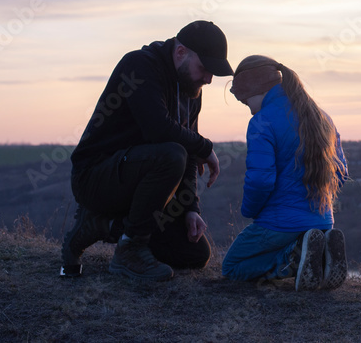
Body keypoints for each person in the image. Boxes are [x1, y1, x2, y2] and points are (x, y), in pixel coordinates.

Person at [60, 20, 234, 281]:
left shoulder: (191, 89)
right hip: (95, 178)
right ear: (180, 53)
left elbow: (188, 153)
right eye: (205, 68)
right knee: (171, 154)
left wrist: (191, 209)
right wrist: (206, 147)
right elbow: (158, 129)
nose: (208, 79)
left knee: (194, 254)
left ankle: (101, 225)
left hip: (138, 184)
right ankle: (129, 251)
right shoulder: (139, 66)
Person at [221, 55, 349, 290]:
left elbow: (260, 180)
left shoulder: (262, 121)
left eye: (245, 101)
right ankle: (319, 256)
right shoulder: (322, 118)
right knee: (289, 243)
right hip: (322, 221)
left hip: (278, 224)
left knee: (232, 267)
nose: (248, 109)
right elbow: (340, 172)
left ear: (255, 90)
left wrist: (250, 210)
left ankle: (294, 258)